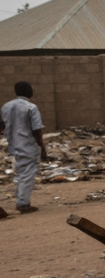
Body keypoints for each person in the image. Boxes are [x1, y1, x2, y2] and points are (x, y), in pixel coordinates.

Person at [2, 81, 47, 215]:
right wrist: (43, 149)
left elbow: (1, 125)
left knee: (22, 174)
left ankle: (21, 199)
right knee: (27, 175)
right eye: (30, 88)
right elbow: (37, 130)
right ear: (27, 90)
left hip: (14, 146)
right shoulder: (31, 107)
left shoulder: (6, 106)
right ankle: (23, 203)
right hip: (28, 146)